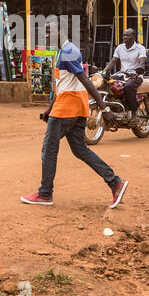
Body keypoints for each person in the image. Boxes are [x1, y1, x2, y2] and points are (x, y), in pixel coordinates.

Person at [21, 24, 128, 208]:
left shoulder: (68, 51)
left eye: (49, 33)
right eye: (44, 34)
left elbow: (85, 81)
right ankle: (114, 182)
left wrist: (104, 109)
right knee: (80, 149)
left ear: (60, 32)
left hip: (66, 109)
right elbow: (65, 83)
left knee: (49, 149)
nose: (46, 37)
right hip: (77, 107)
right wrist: (49, 108)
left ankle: (45, 194)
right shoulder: (68, 50)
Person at [104, 28, 148, 115]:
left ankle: (134, 111)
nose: (125, 37)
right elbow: (113, 61)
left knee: (128, 87)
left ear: (133, 37)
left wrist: (140, 68)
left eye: (127, 35)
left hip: (135, 76)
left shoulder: (140, 48)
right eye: (124, 35)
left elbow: (142, 59)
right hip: (122, 74)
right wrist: (103, 72)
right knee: (105, 83)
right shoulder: (120, 48)